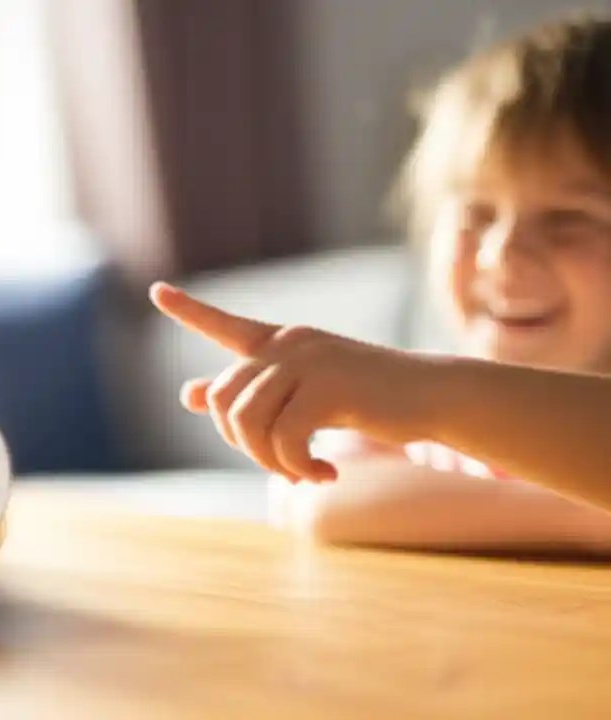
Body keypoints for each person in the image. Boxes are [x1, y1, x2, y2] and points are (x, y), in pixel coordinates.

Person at [150, 14, 611, 554]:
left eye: (568, 220)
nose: (501, 255)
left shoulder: (420, 396)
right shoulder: (415, 402)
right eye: (476, 214)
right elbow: (315, 497)